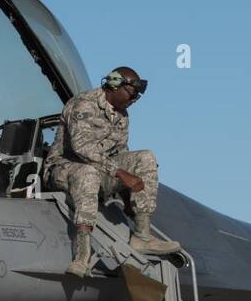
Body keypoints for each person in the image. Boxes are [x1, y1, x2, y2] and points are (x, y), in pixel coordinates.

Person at [43, 66, 179, 274]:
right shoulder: (84, 104)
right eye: (133, 93)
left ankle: (142, 236)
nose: (135, 99)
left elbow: (121, 152)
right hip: (64, 168)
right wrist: (120, 174)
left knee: (145, 158)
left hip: (100, 172)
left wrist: (128, 189)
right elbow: (82, 149)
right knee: (87, 172)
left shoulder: (122, 115)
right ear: (114, 85)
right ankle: (82, 255)